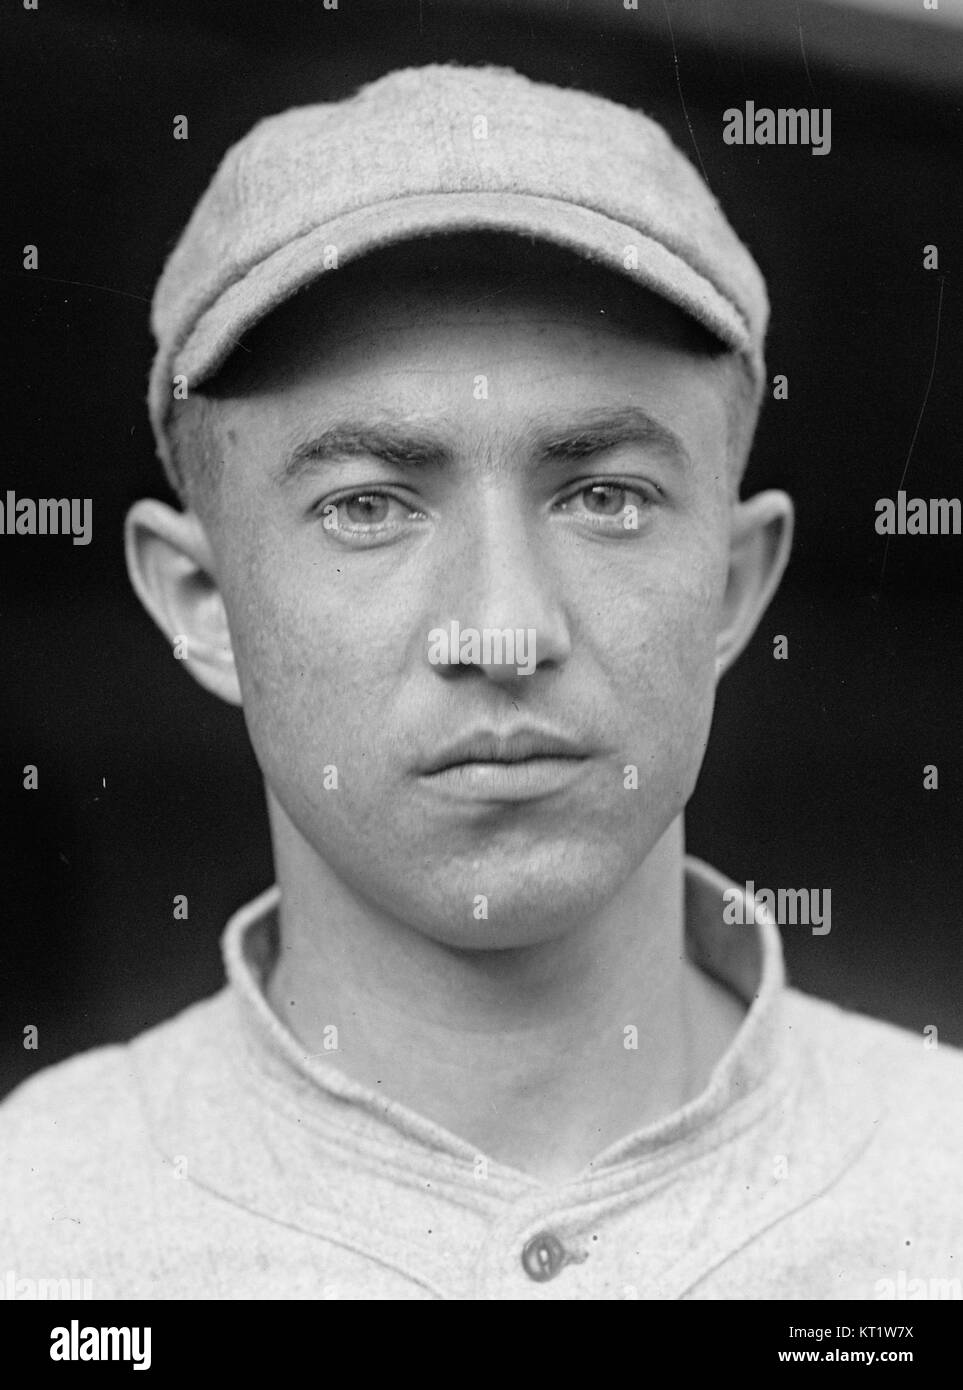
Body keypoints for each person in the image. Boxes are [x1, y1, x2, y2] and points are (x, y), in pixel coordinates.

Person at [2, 64, 960, 1302]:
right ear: (201, 604)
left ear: (733, 583)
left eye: (605, 495)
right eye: (366, 506)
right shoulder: (38, 1232)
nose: (503, 631)